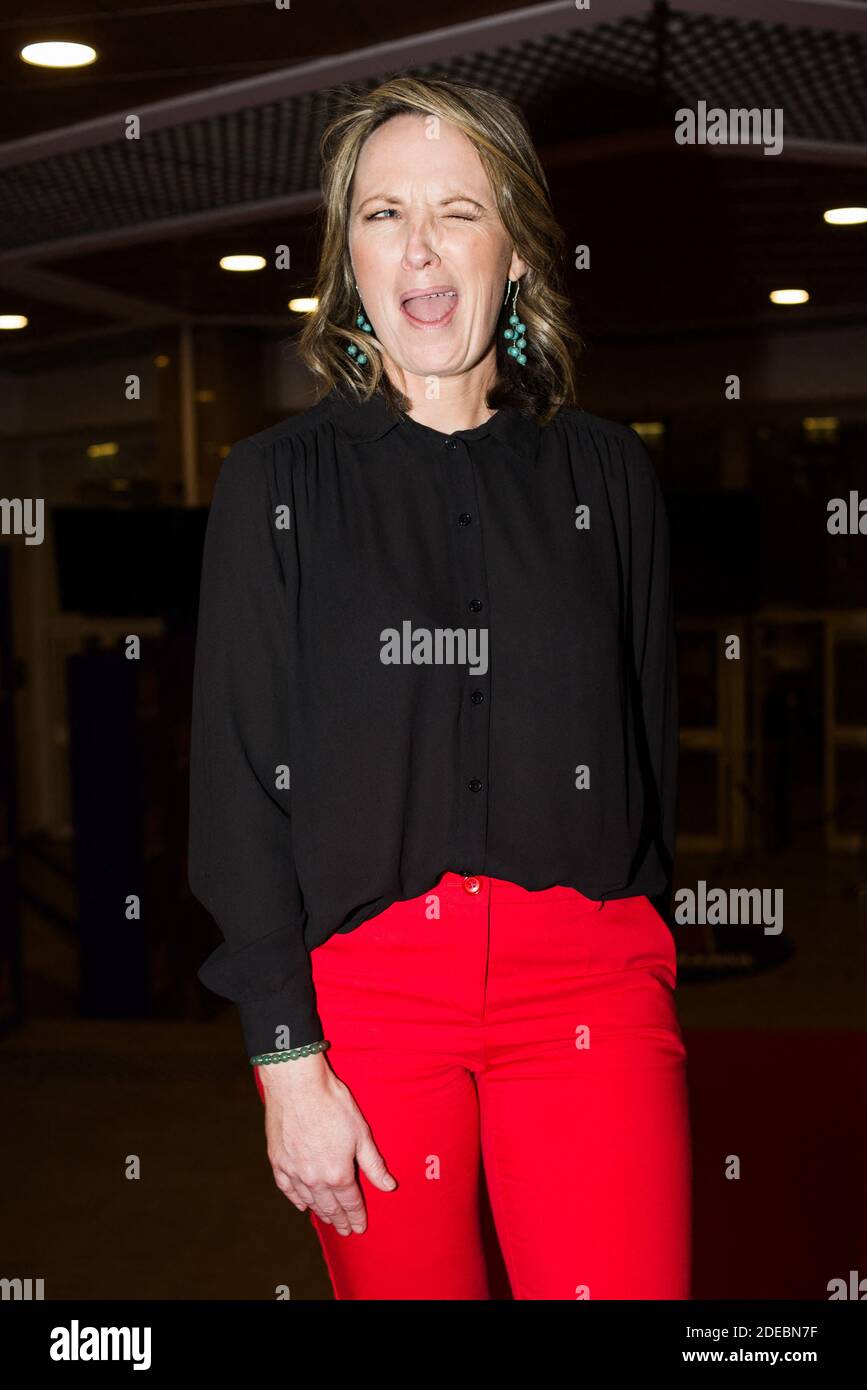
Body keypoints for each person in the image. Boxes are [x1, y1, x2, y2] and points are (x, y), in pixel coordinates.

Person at [188, 75, 690, 1301]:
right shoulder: (273, 487)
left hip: (589, 991)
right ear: (347, 259)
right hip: (366, 1010)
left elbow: (649, 748)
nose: (417, 245)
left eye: (458, 210)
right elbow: (238, 786)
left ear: (514, 246)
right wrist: (286, 1064)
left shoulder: (608, 476)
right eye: (382, 214)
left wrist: (649, 952)